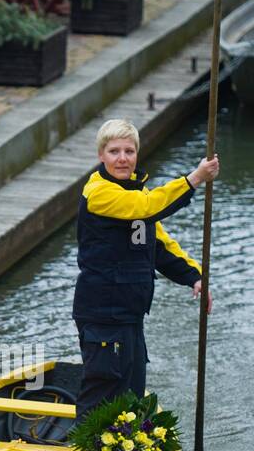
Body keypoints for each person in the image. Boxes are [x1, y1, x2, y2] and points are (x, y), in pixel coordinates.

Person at [73, 119, 219, 423]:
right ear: (101, 155)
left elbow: (159, 247)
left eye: (129, 151)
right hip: (102, 315)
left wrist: (194, 276)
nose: (123, 158)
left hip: (130, 315)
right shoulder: (100, 193)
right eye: (114, 151)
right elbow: (147, 206)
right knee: (103, 388)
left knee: (132, 392)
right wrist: (194, 179)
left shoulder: (136, 193)